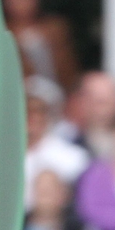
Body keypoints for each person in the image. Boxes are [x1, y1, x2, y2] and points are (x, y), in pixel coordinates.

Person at [2, 0, 81, 93]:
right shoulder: (3, 32)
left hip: (60, 92)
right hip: (24, 96)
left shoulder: (55, 27)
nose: (21, 2)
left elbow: (69, 67)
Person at [25, 76, 90, 206]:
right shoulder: (2, 156)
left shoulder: (73, 158)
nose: (33, 117)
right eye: (27, 110)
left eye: (40, 111)